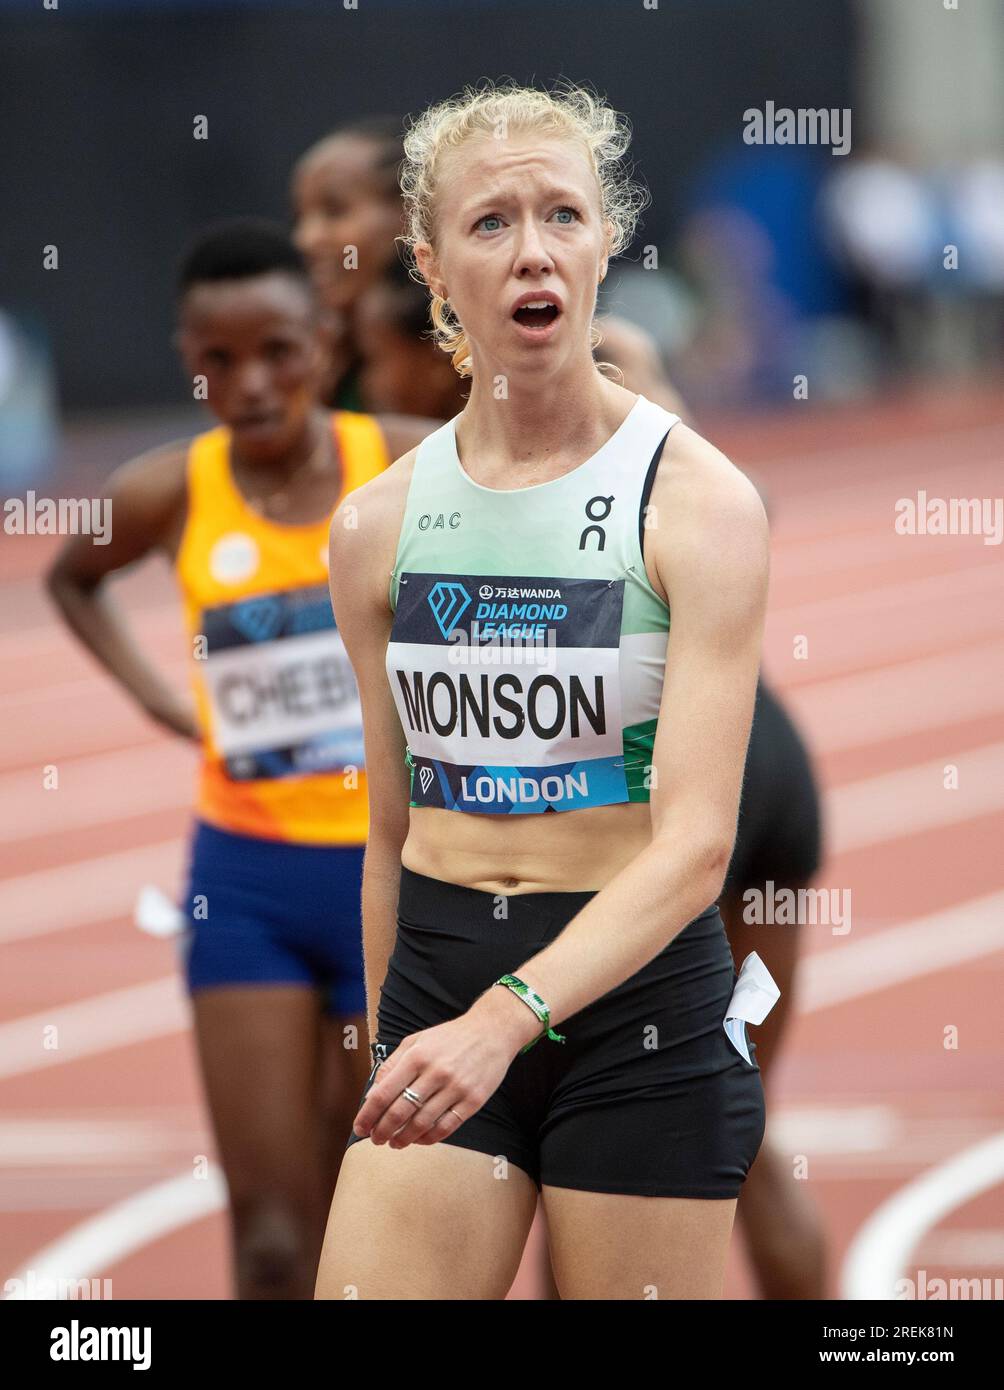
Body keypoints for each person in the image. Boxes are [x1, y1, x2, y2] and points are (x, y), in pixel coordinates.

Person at [312, 79, 772, 1301]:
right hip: (441, 979)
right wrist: (390, 1039)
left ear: (605, 240)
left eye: (561, 214)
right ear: (429, 263)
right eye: (490, 222)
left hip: (638, 1012)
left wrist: (508, 1017)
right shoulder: (374, 527)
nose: (533, 250)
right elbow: (388, 828)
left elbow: (693, 850)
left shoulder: (696, 503)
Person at [46, 219, 438, 1299]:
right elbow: (71, 576)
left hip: (389, 882)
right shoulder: (172, 490)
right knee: (270, 1237)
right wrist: (157, 699)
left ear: (323, 337)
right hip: (247, 884)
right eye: (218, 361)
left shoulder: (404, 459)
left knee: (382, 1219)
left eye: (276, 350)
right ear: (189, 359)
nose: (251, 383)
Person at [292, 116, 408, 412]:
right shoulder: (321, 354)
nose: (306, 238)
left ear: (410, 212)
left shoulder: (465, 352)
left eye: (335, 211)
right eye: (300, 218)